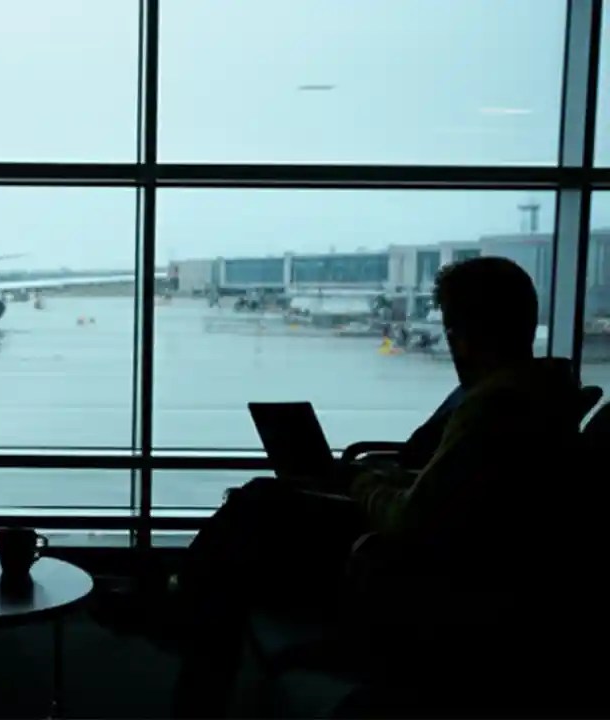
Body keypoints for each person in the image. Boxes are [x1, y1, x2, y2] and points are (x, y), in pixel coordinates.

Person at [167, 256, 584, 717]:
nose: (451, 344)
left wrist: (365, 483)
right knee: (255, 520)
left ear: (470, 333)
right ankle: (186, 613)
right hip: (437, 558)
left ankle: (178, 611)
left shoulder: (494, 408)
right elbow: (455, 485)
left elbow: (412, 518)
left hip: (406, 565)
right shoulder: (541, 394)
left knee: (256, 506)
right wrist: (383, 477)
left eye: (452, 329)